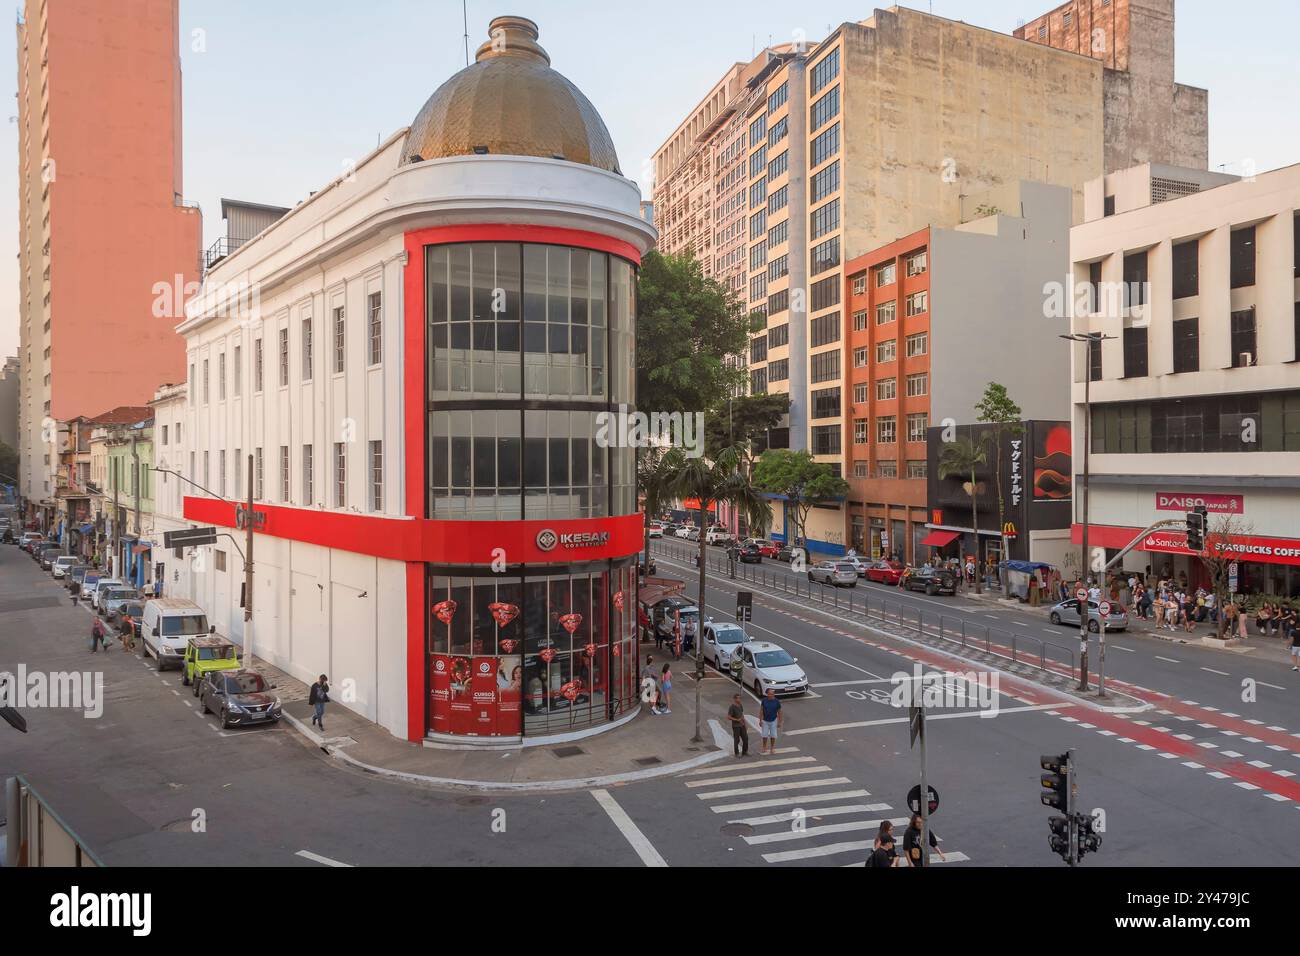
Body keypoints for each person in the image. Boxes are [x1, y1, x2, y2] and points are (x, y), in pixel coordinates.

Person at [758, 688, 783, 755]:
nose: (771, 695)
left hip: (773, 720)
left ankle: (772, 748)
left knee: (773, 735)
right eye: (770, 694)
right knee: (764, 735)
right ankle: (764, 747)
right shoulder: (764, 701)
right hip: (765, 720)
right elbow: (761, 710)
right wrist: (760, 720)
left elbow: (779, 712)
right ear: (767, 694)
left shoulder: (777, 701)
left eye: (772, 694)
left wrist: (780, 722)